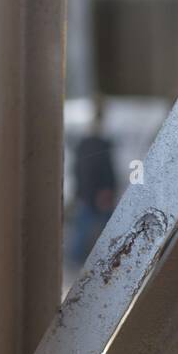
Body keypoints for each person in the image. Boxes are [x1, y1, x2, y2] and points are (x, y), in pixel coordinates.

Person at [70, 97, 117, 264]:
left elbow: (80, 171)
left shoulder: (86, 145)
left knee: (85, 229)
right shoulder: (98, 145)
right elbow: (100, 170)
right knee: (105, 229)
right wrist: (105, 190)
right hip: (96, 194)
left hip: (90, 193)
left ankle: (77, 259)